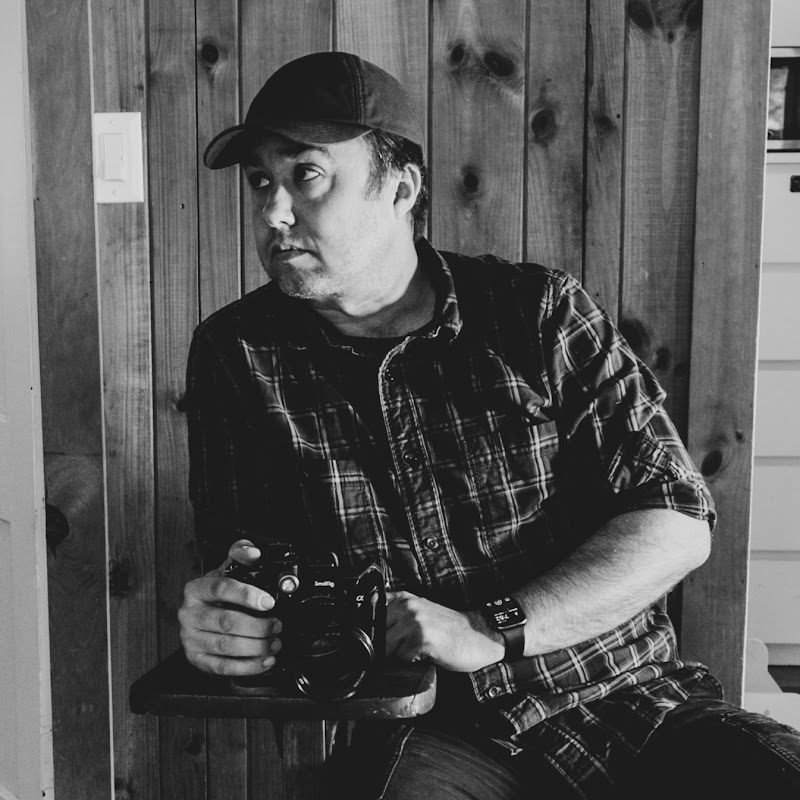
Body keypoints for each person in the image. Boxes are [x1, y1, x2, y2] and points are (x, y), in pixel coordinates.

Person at [177, 51, 800, 799]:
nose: (273, 213)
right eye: (259, 182)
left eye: (306, 174)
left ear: (401, 188)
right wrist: (224, 622)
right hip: (427, 732)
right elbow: (243, 565)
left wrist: (491, 627)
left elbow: (676, 520)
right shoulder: (237, 354)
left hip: (628, 703)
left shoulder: (537, 313)